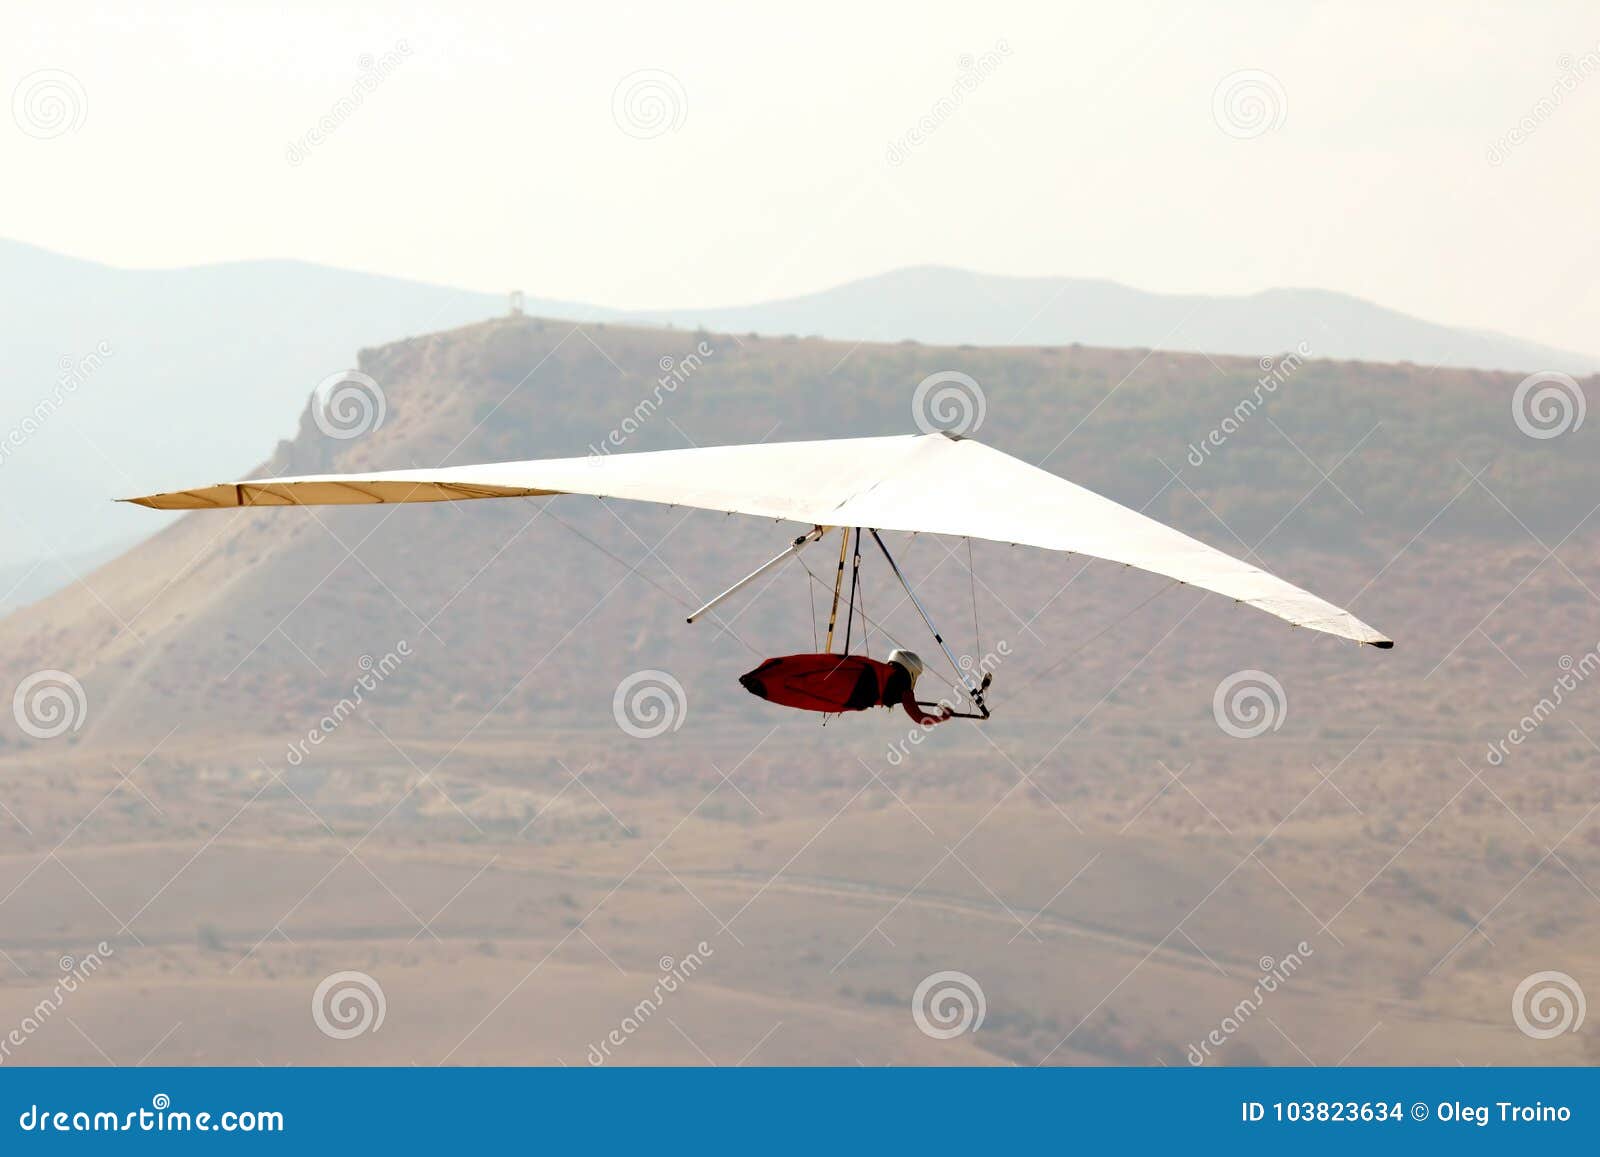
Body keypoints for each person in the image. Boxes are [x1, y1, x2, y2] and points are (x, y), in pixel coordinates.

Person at [738, 648, 953, 724]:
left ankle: (765, 679)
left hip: (846, 682)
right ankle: (765, 682)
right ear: (911, 671)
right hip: (845, 695)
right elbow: (917, 716)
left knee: (803, 677)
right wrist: (940, 717)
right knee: (804, 692)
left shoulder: (884, 672)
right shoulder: (902, 686)